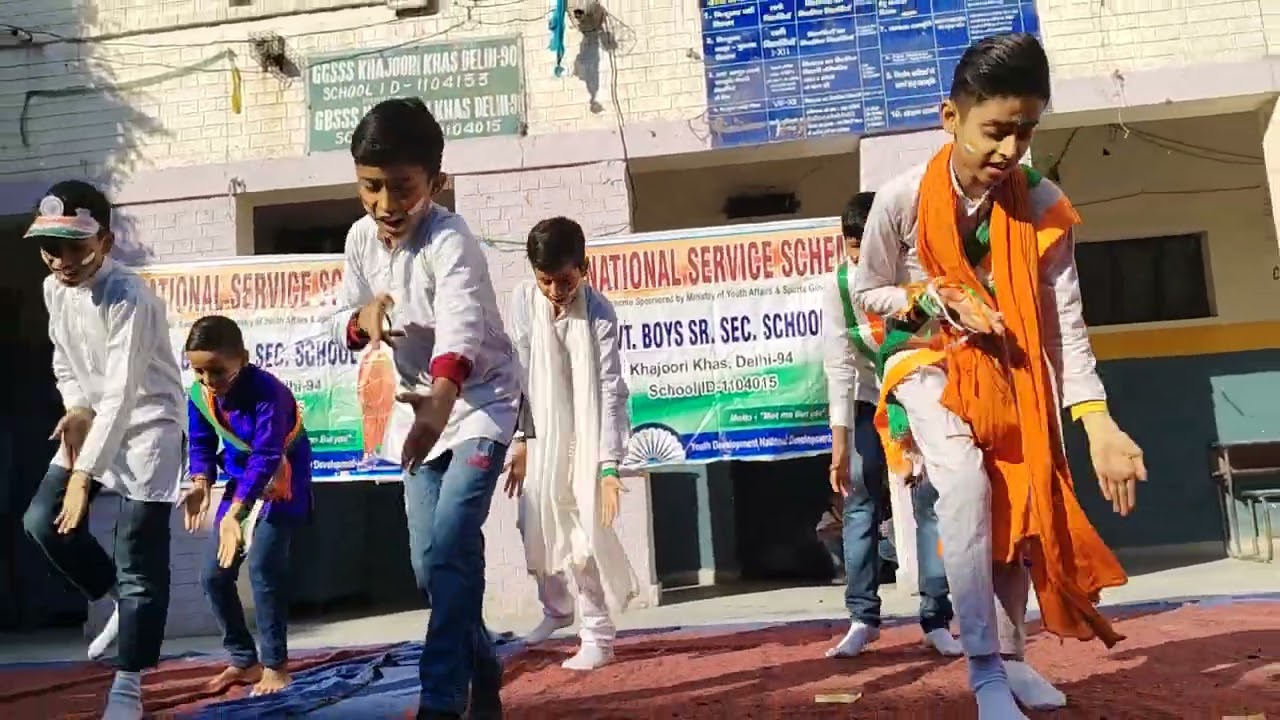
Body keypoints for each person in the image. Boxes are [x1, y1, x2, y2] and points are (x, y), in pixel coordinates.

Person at [851, 34, 1146, 719]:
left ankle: (1012, 658)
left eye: (1026, 131)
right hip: (926, 360)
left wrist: (1096, 419)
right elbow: (868, 291)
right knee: (963, 483)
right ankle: (983, 668)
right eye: (996, 130)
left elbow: (1063, 321)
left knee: (1016, 500)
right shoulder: (900, 200)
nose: (1011, 149)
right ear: (950, 117)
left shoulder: (1041, 204)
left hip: (1009, 367)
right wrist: (930, 298)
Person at [330, 97, 521, 720]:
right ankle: (484, 669)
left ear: (435, 184)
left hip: (479, 403)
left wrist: (442, 400)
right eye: (370, 187)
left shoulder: (450, 237)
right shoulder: (361, 239)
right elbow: (344, 316)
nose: (386, 204)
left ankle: (440, 698)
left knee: (452, 542)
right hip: (420, 414)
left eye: (403, 188)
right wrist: (360, 321)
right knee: (427, 565)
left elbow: (462, 323)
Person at [20, 180, 184, 720]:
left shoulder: (129, 297)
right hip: (94, 419)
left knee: (138, 555)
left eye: (73, 246)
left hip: (147, 429)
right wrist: (75, 407)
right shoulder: (54, 290)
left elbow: (122, 392)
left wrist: (83, 475)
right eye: (50, 248)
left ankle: (129, 685)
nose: (61, 260)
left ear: (105, 242)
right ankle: (116, 596)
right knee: (42, 521)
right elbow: (65, 361)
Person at [822, 192, 963, 659]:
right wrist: (840, 443)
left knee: (930, 501)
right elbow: (839, 366)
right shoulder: (839, 287)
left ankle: (936, 617)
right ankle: (862, 618)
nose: (861, 260)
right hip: (868, 400)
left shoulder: (913, 278)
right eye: (853, 249)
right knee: (859, 498)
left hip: (920, 393)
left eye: (869, 248)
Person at [502, 216, 639, 671]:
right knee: (532, 522)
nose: (556, 291)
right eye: (546, 281)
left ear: (584, 268)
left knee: (582, 535)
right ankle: (557, 608)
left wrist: (608, 466)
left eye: (565, 280)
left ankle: (598, 635)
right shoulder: (524, 302)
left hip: (587, 432)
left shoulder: (599, 313)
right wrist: (521, 441)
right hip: (544, 431)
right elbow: (521, 377)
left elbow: (609, 389)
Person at [179, 315, 314, 696]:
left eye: (217, 371)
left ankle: (275, 666)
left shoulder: (269, 392)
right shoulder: (199, 395)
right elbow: (201, 443)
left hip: (282, 477)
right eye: (198, 371)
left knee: (263, 567)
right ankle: (243, 660)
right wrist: (201, 482)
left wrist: (237, 512)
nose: (208, 380)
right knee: (214, 575)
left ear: (243, 357)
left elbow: (267, 454)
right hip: (242, 480)